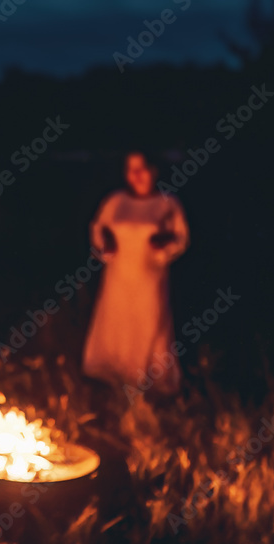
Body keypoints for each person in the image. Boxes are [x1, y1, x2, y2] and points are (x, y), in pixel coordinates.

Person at [82, 151, 189, 394]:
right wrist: (105, 245)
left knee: (148, 324)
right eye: (131, 170)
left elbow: (180, 238)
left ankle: (148, 382)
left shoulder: (167, 204)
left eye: (141, 169)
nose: (137, 176)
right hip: (118, 278)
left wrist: (163, 246)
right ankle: (110, 376)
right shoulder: (115, 201)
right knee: (116, 323)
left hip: (150, 279)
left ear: (153, 171)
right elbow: (99, 227)